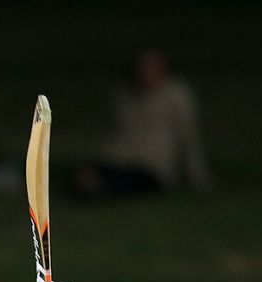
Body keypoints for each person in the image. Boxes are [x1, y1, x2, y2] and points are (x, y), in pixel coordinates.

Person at [74, 48, 211, 200]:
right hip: (119, 158)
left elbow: (189, 137)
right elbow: (118, 134)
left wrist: (198, 178)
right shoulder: (125, 95)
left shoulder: (176, 96)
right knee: (86, 174)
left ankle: (99, 191)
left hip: (151, 166)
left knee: (127, 183)